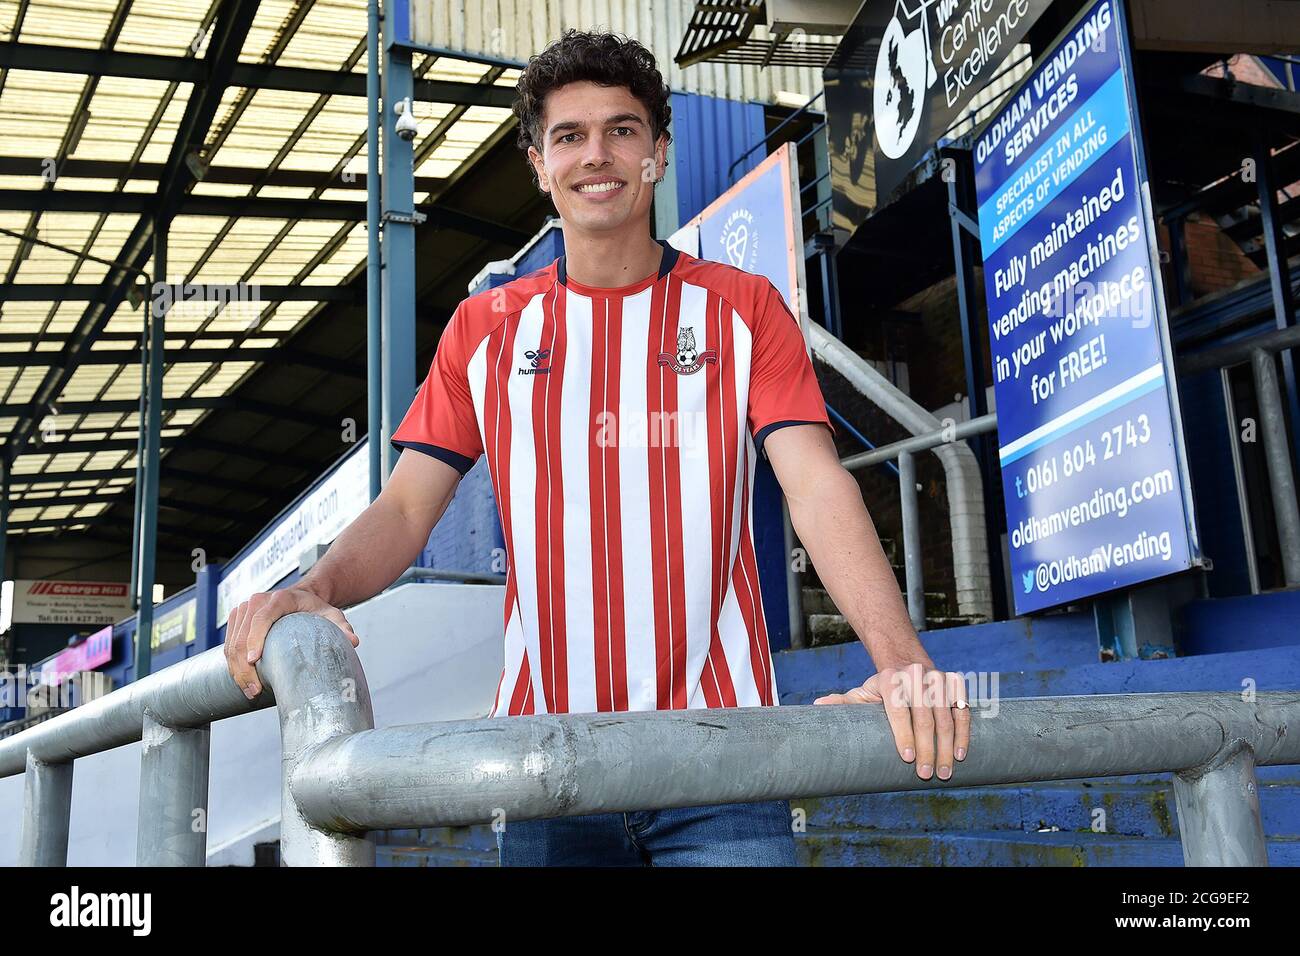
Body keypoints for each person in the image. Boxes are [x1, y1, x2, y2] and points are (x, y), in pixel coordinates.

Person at [223, 29, 971, 867]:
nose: (596, 154)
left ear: (658, 150)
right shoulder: (486, 330)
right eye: (569, 136)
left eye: (621, 129)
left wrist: (902, 661)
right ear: (539, 165)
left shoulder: (743, 309)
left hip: (721, 759)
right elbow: (404, 508)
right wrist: (314, 587)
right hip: (550, 768)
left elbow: (817, 485)